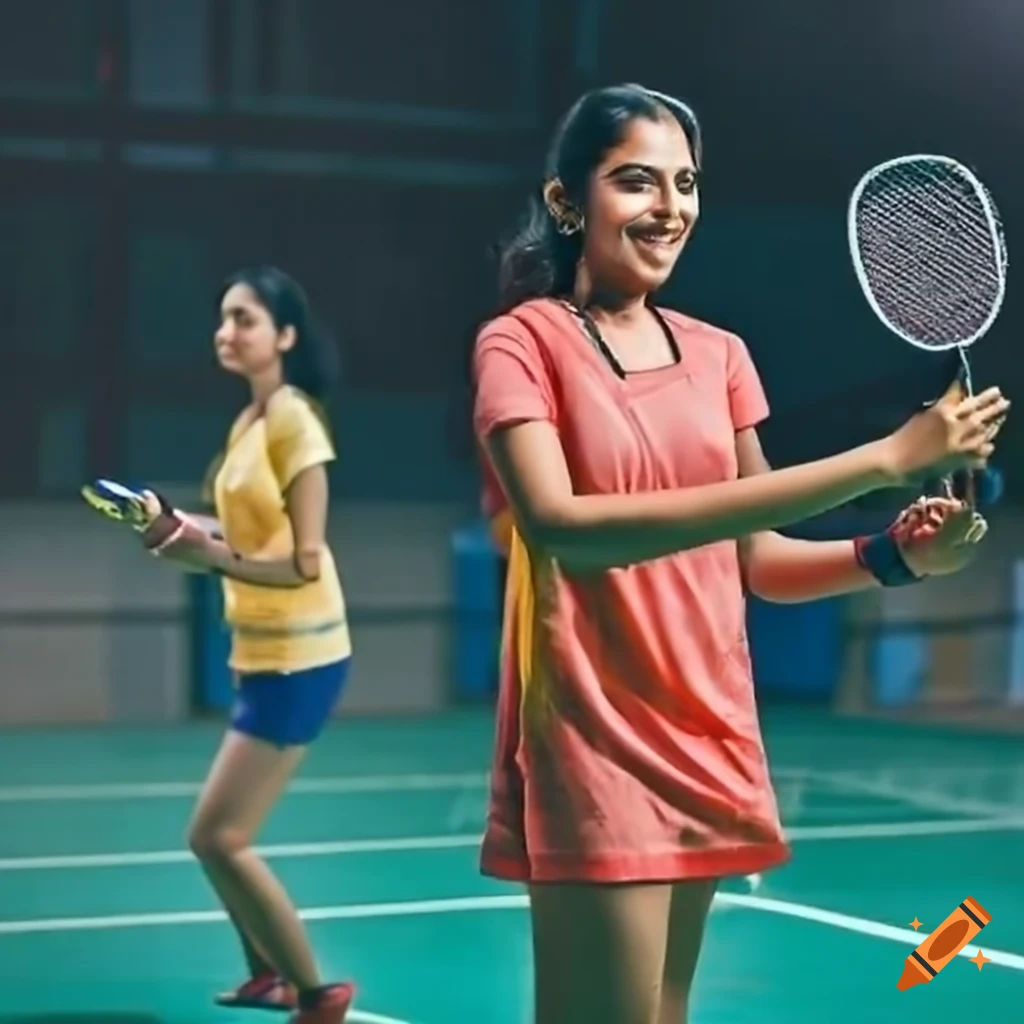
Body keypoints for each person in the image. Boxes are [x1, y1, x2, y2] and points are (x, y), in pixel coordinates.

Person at [470, 83, 1008, 1024]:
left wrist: (893, 556)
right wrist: (880, 460)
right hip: (595, 730)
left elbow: (755, 558)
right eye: (636, 181)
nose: (669, 207)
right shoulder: (523, 344)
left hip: (707, 725)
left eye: (685, 183)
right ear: (568, 201)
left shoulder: (721, 355)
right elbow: (560, 525)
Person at [136, 266, 355, 1024]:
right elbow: (250, 535)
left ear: (285, 338)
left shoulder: (296, 421)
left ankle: (317, 991)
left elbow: (303, 561)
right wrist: (184, 528)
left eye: (245, 319)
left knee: (218, 836)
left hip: (301, 655)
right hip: (262, 650)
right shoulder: (251, 424)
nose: (227, 332)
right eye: (223, 318)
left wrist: (206, 557)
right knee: (215, 837)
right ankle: (263, 973)